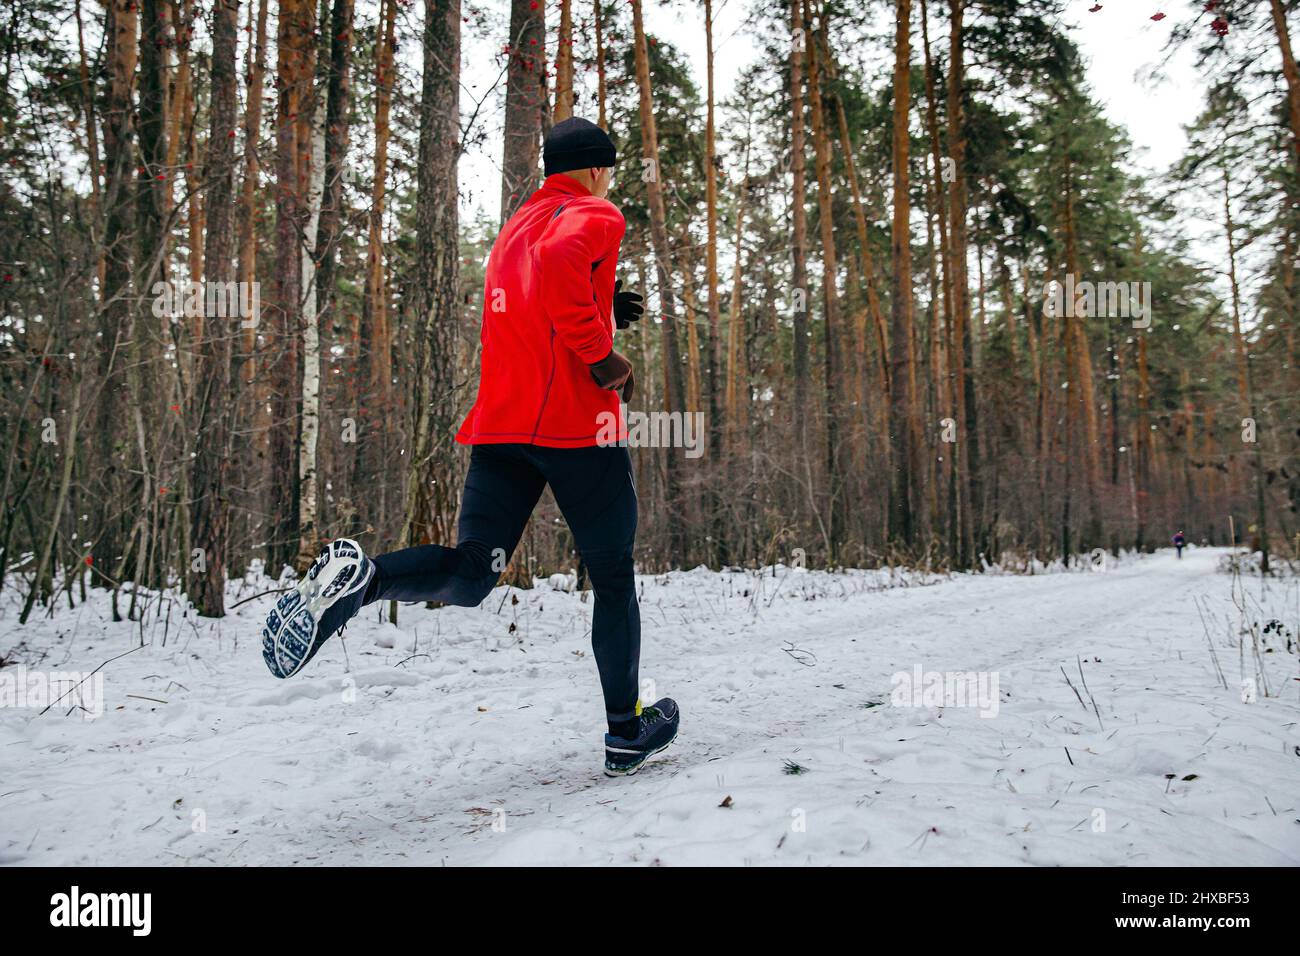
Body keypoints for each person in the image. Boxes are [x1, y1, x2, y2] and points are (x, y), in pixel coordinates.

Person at [260, 118, 679, 777]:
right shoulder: (596, 212)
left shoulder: (515, 228)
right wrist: (603, 356)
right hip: (573, 434)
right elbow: (562, 263)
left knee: (471, 572)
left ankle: (364, 582)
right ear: (596, 168)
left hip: (501, 432)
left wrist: (603, 306)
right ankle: (626, 732)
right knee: (614, 578)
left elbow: (534, 292)